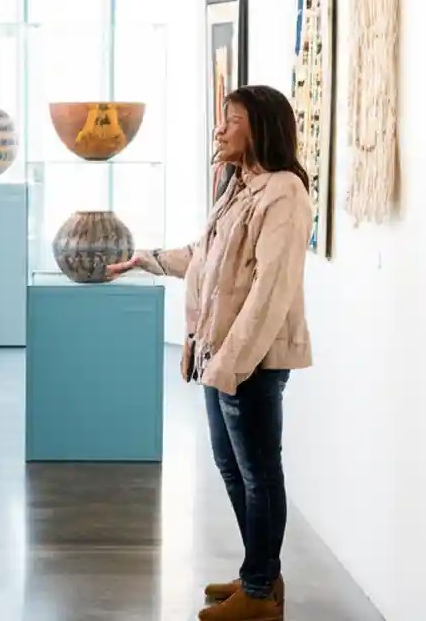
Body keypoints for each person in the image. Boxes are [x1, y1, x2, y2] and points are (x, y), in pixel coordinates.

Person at [106, 85, 313, 621]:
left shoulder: (284, 193)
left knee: (260, 473)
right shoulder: (237, 185)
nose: (219, 129)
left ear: (261, 128)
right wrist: (145, 260)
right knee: (232, 467)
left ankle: (261, 592)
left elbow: (270, 292)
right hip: (220, 354)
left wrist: (230, 365)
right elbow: (206, 255)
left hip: (251, 363)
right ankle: (261, 575)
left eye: (232, 120)